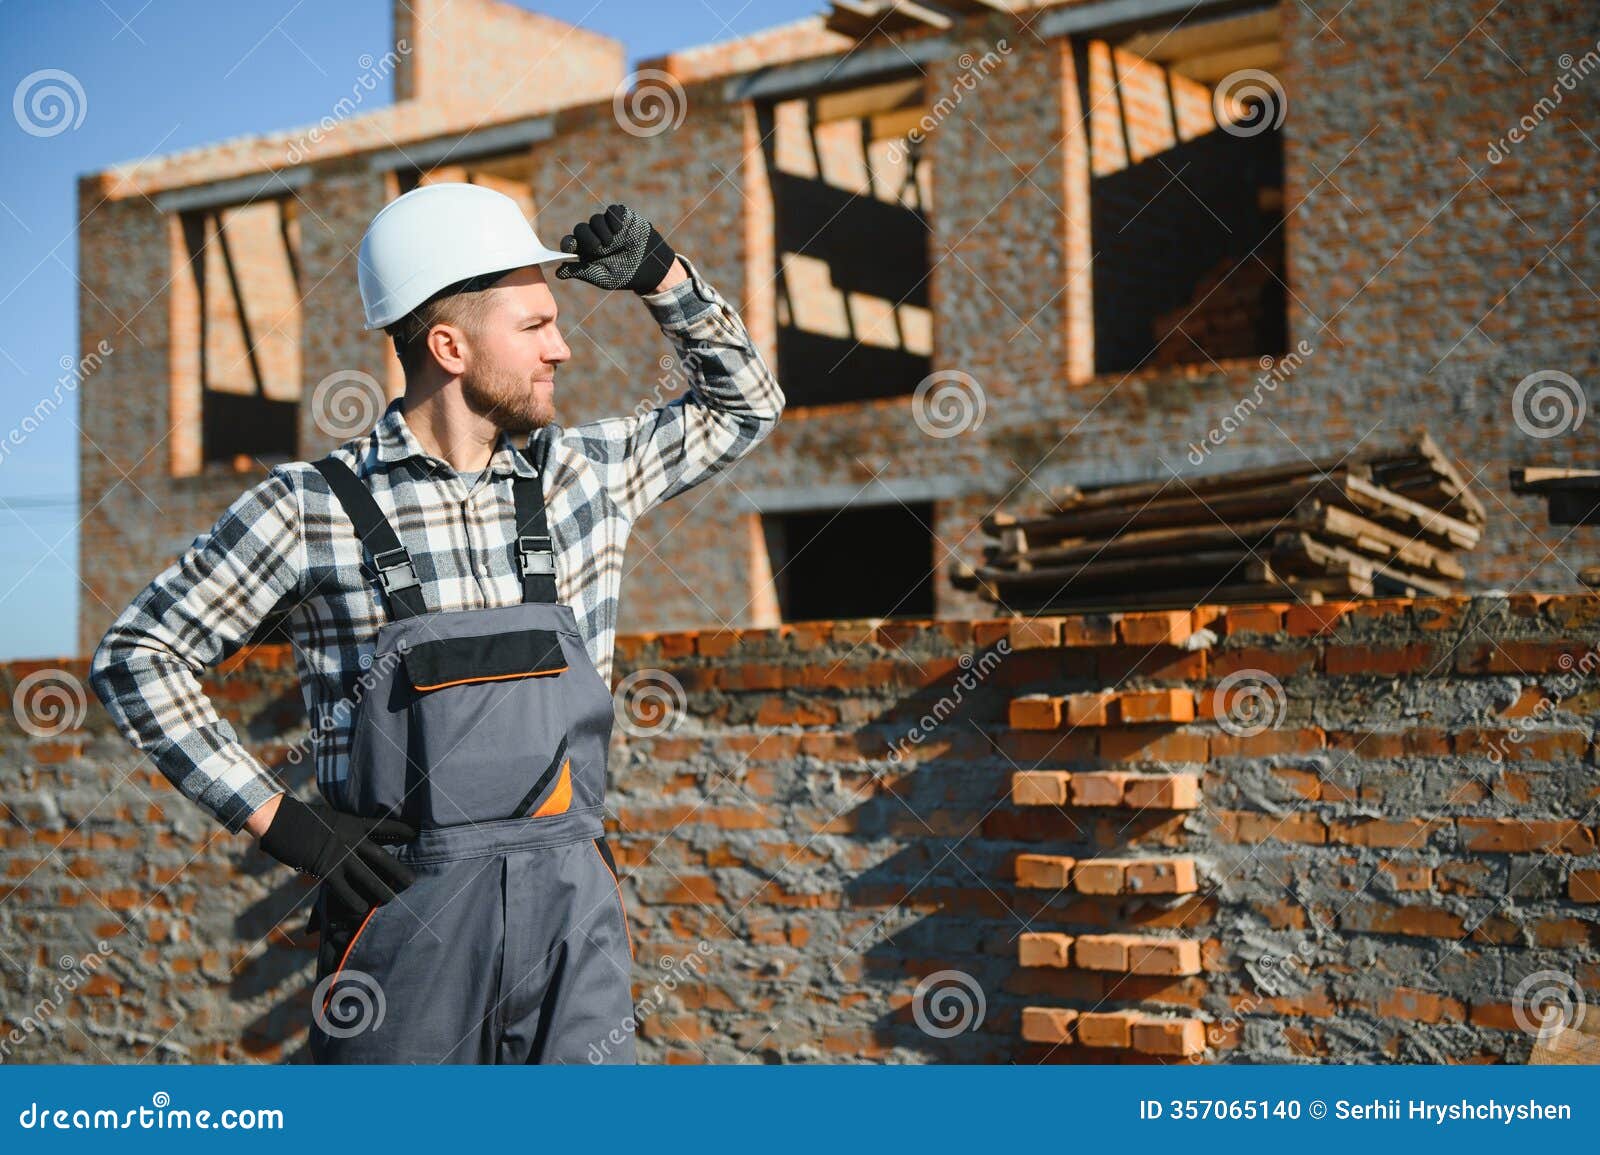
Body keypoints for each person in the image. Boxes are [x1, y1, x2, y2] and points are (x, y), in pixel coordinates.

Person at [90, 184, 785, 1062]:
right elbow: (136, 655)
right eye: (535, 327)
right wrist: (279, 820)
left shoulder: (583, 476)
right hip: (402, 922)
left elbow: (745, 406)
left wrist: (664, 278)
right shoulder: (312, 508)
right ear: (449, 346)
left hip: (573, 918)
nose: (562, 349)